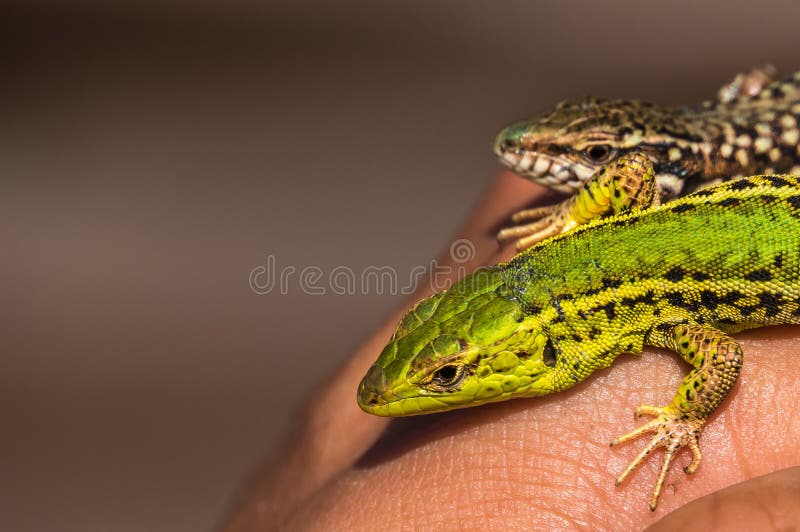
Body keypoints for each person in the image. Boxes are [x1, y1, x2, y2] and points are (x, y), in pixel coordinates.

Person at [222, 171, 800, 530]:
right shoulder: (617, 262)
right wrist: (575, 212)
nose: (426, 386)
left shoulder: (657, 313)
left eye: (448, 375)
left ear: (544, 348)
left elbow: (723, 360)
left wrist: (682, 419)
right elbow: (632, 175)